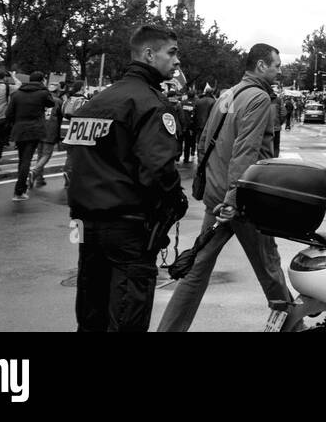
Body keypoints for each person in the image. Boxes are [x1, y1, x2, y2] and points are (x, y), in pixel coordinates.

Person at [156, 43, 294, 333]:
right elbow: (246, 152)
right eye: (276, 65)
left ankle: (168, 330)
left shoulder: (227, 94)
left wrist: (214, 190)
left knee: (197, 269)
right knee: (269, 266)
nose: (279, 70)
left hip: (217, 196)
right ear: (260, 66)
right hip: (244, 200)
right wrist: (233, 198)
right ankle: (295, 326)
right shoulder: (257, 98)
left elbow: (205, 141)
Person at [66, 24, 188, 332]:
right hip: (128, 228)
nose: (177, 62)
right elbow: (158, 170)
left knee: (91, 317)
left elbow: (75, 164)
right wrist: (176, 202)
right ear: (149, 54)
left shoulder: (96, 102)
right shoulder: (151, 104)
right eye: (171, 53)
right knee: (126, 320)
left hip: (85, 224)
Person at [5, 71, 55, 201]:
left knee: (22, 159)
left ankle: (20, 188)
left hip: (19, 129)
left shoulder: (16, 94)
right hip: (35, 129)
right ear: (42, 80)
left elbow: (9, 113)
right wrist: (44, 87)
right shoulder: (43, 93)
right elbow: (51, 103)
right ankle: (19, 191)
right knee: (27, 159)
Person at [29, 84, 64, 189]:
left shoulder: (41, 100)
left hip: (40, 127)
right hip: (51, 129)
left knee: (40, 154)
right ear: (57, 91)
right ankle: (34, 172)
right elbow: (60, 119)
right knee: (47, 154)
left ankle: (39, 178)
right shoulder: (58, 101)